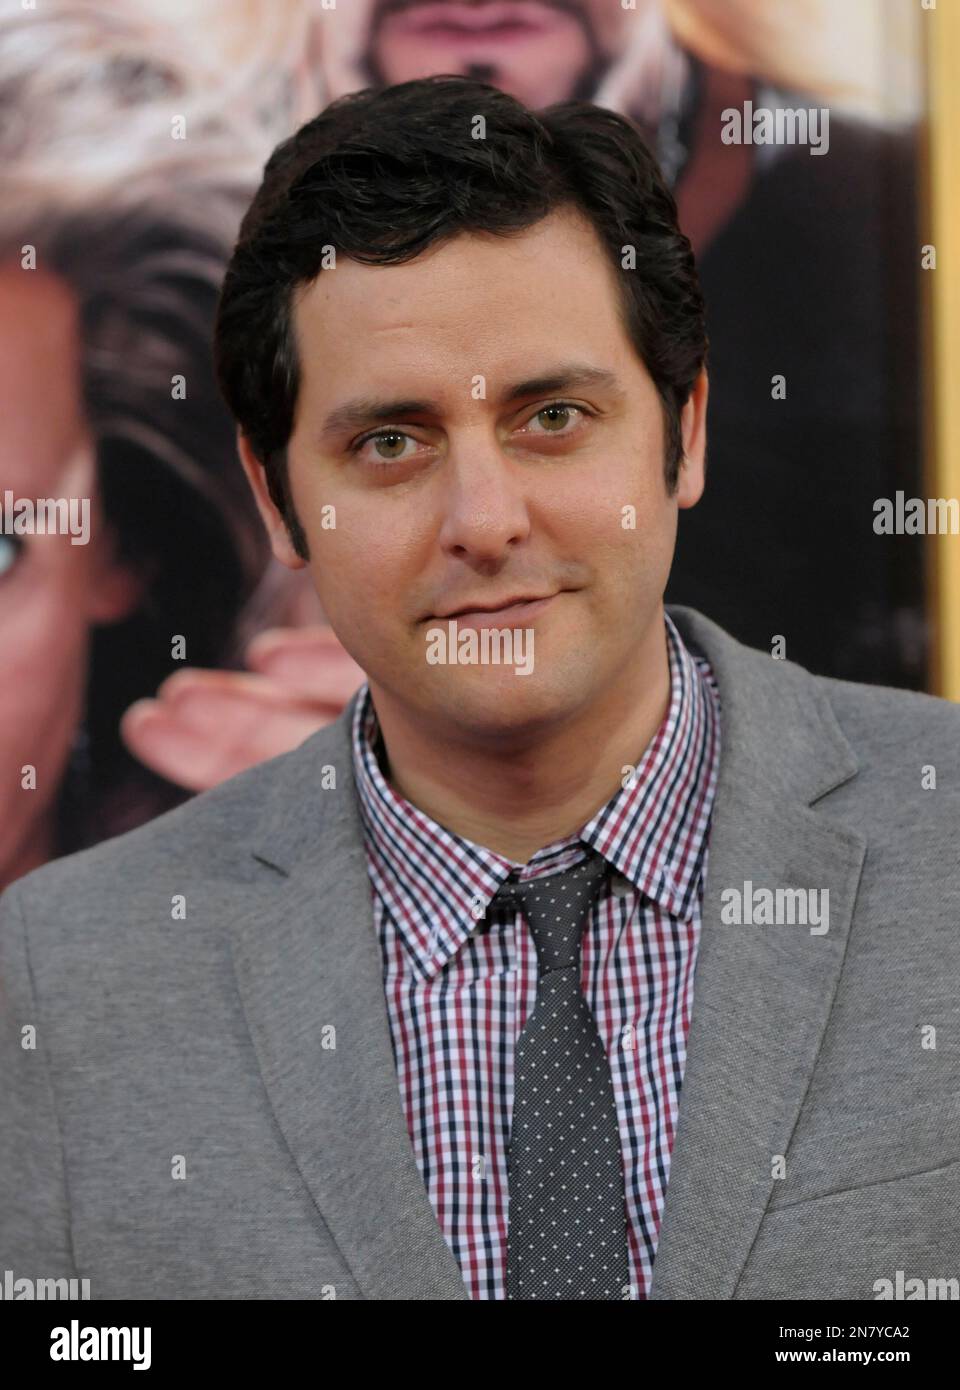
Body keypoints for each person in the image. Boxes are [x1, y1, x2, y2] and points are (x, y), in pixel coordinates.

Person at [1, 76, 957, 1301]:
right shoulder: (68, 971)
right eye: (388, 444)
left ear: (688, 430)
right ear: (278, 498)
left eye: (553, 416)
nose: (485, 522)